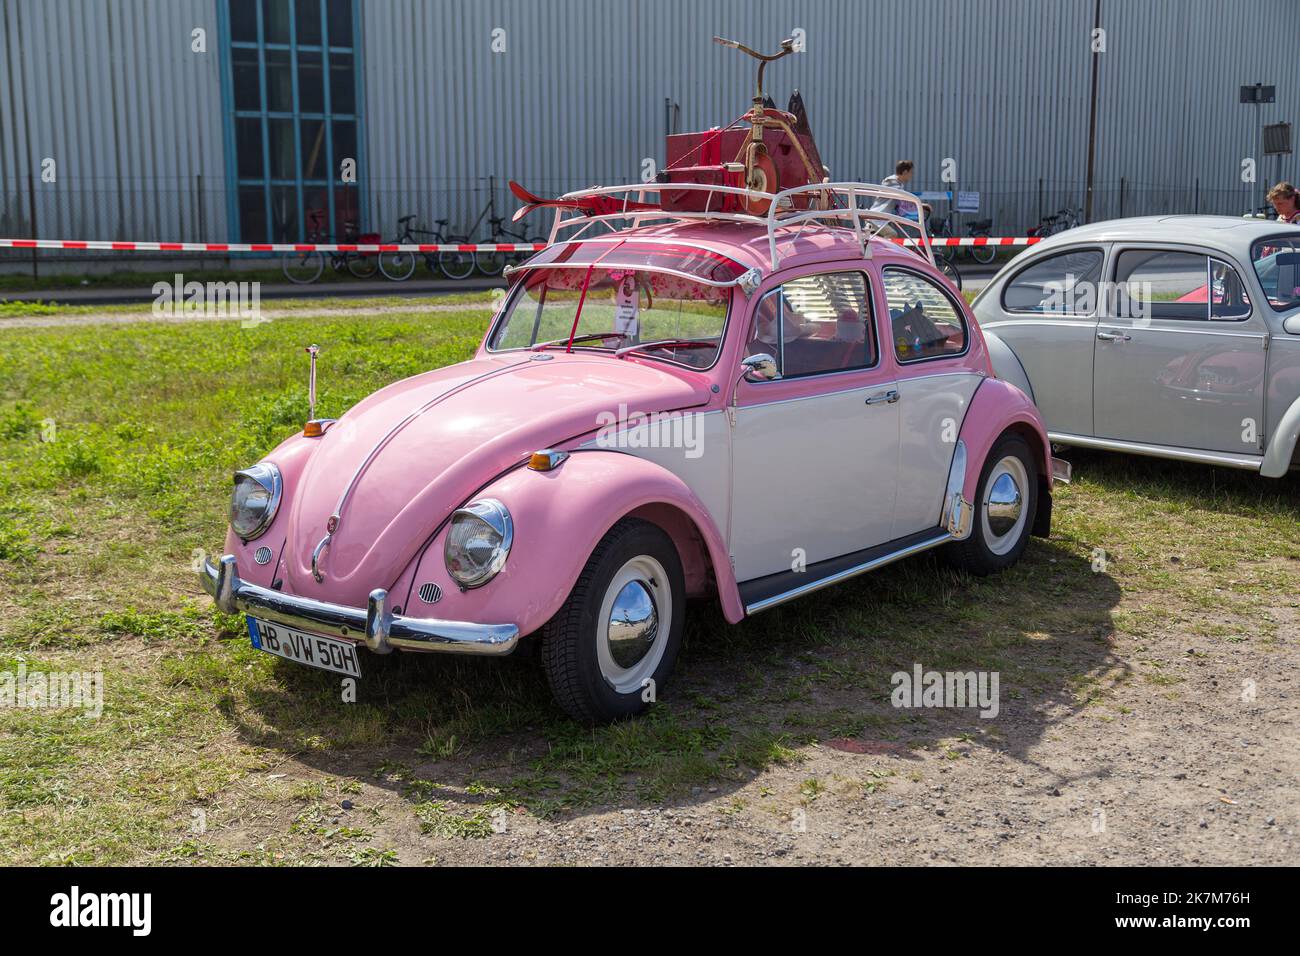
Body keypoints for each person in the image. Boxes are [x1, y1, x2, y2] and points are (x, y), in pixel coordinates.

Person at [870, 160, 930, 238]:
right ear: (905, 172)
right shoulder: (891, 181)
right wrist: (921, 205)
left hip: (881, 218)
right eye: (911, 172)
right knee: (892, 234)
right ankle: (885, 251)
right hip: (876, 218)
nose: (911, 175)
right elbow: (903, 197)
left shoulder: (898, 183)